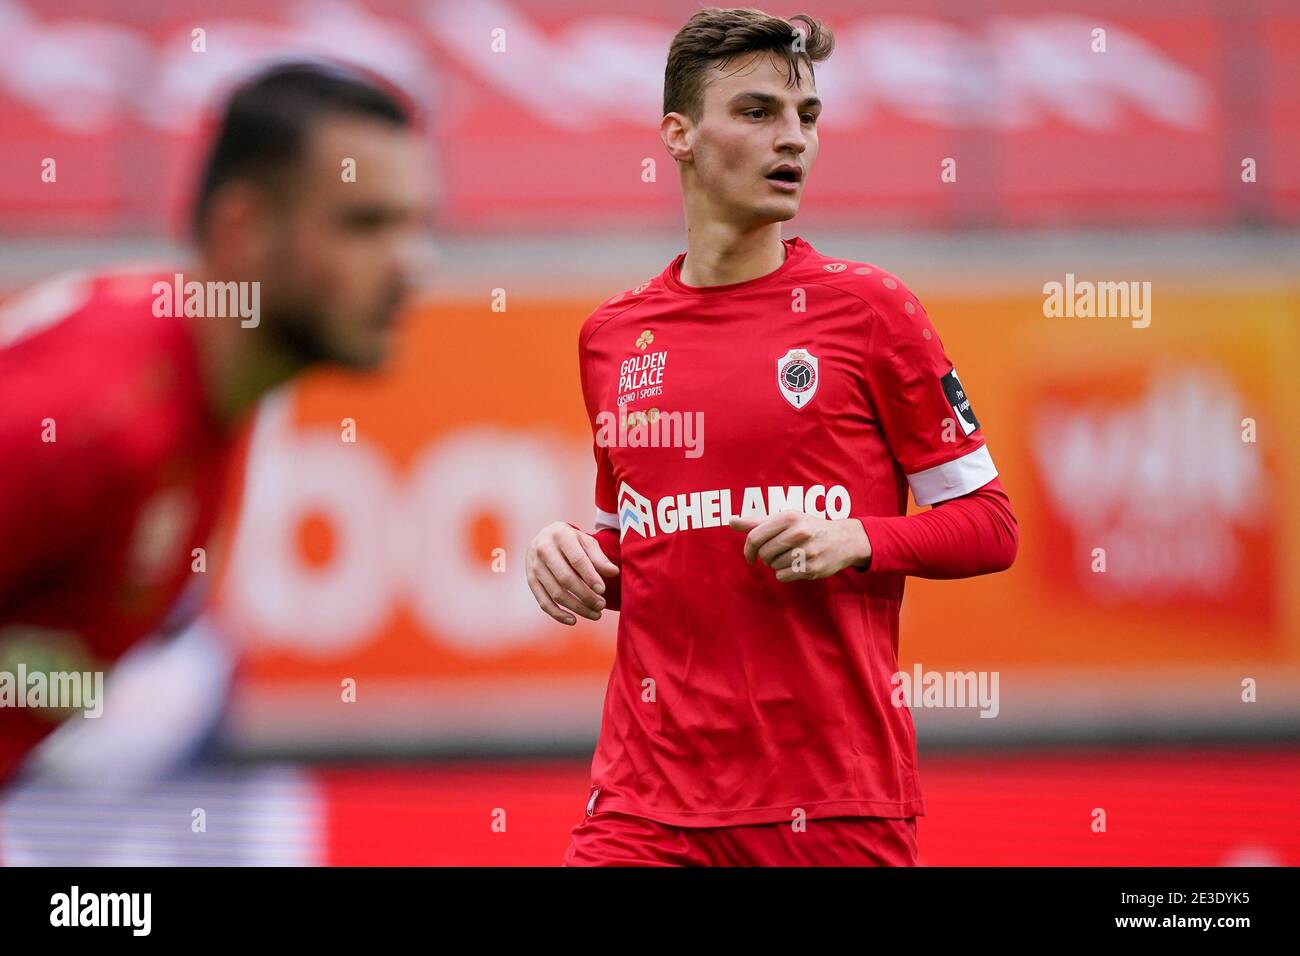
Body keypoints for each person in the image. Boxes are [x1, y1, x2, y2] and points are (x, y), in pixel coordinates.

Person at [525, 8, 1019, 866]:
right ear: (679, 135)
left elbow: (990, 524)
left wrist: (862, 537)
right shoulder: (613, 336)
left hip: (829, 804)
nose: (791, 139)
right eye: (757, 113)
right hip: (645, 807)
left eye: (807, 117)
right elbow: (635, 545)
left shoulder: (871, 310)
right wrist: (566, 551)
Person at [0, 61, 431, 786]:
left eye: (415, 225)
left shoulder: (213, 395)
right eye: (366, 225)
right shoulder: (86, 420)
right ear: (244, 228)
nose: (412, 264)